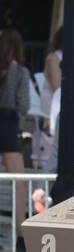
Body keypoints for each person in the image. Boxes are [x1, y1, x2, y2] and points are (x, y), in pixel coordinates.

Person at [0, 29, 32, 238]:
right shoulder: (20, 72)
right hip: (8, 123)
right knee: (19, 182)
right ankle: (19, 230)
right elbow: (24, 105)